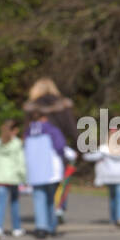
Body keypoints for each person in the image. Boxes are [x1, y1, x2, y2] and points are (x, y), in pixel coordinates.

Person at [23, 79, 78, 220]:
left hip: (37, 149)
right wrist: (79, 146)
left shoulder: (32, 107)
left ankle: (44, 216)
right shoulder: (63, 106)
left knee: (40, 183)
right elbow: (71, 127)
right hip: (58, 147)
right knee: (60, 179)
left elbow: (27, 131)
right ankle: (58, 208)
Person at [23, 110, 73, 238]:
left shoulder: (27, 132)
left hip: (35, 172)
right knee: (51, 200)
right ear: (44, 118)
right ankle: (52, 226)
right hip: (51, 171)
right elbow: (60, 147)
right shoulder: (52, 130)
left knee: (39, 199)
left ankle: (41, 227)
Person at [83, 126, 120, 227]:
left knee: (112, 197)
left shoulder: (104, 149)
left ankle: (113, 218)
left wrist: (83, 155)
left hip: (109, 177)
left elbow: (93, 157)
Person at [0, 119, 27, 238]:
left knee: (0, 204)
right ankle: (16, 228)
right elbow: (21, 162)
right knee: (14, 204)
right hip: (13, 178)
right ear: (15, 130)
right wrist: (24, 177)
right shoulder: (17, 143)